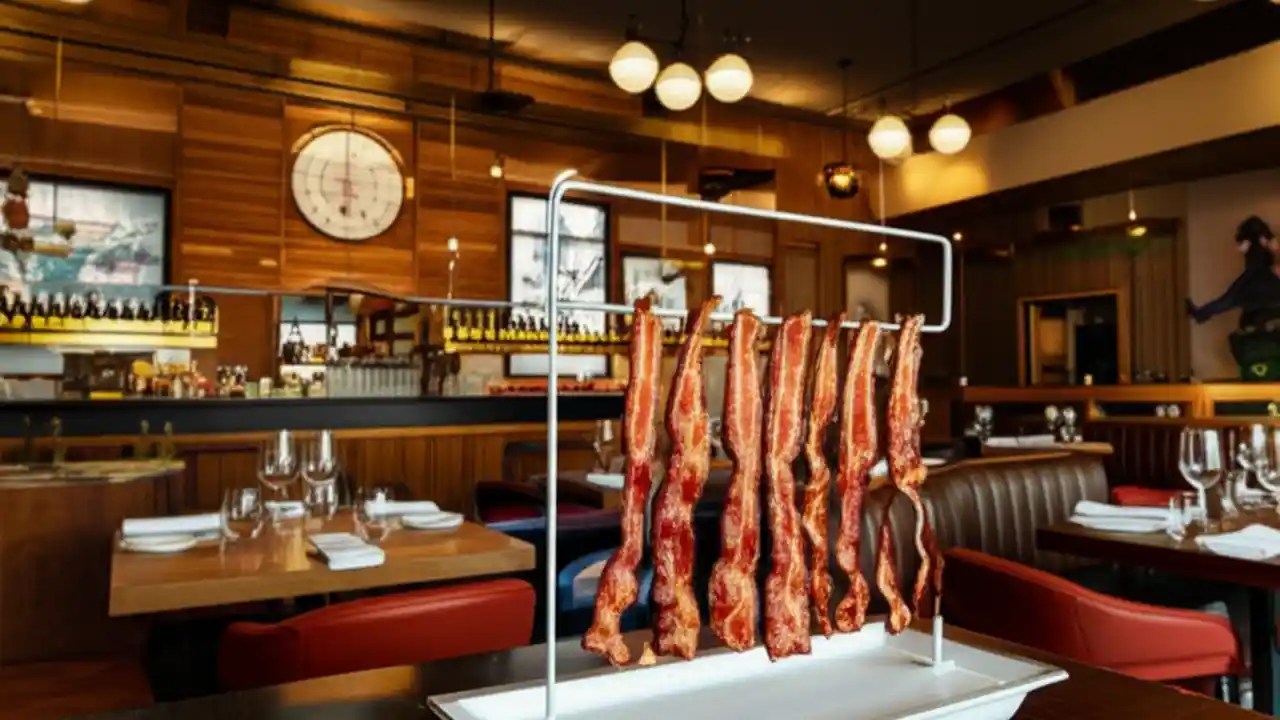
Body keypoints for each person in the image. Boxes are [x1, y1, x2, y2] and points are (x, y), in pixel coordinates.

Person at [1187, 216, 1278, 328]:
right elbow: (1274, 251)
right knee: (1234, 301)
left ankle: (1201, 314)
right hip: (1265, 278)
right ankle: (1201, 314)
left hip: (1253, 278)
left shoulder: (1248, 243)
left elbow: (1242, 249)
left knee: (1228, 300)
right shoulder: (1266, 241)